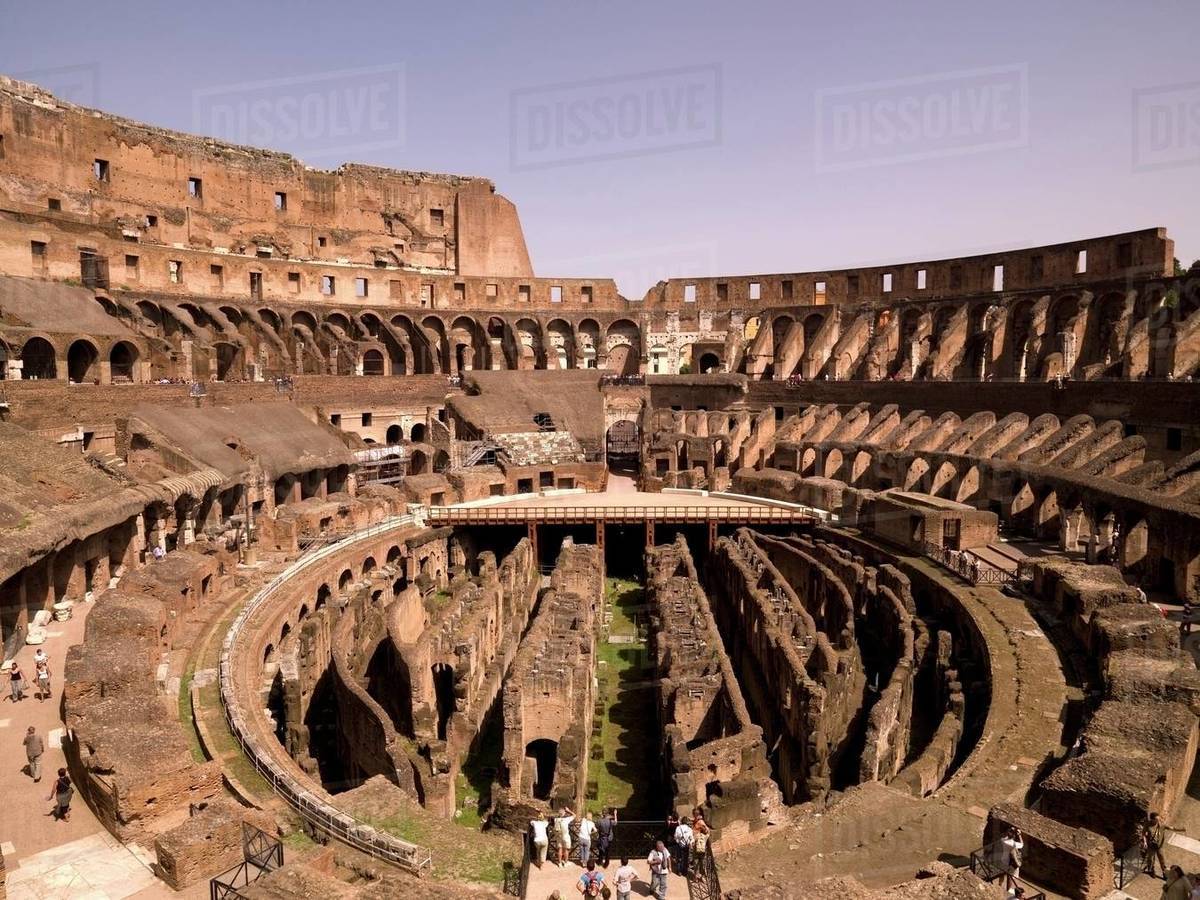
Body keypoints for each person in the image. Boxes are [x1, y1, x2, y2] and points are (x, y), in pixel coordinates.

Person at [1142, 812, 1183, 879]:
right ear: (1152, 819)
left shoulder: (1161, 824)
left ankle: (1164, 872)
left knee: (1162, 859)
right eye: (1156, 819)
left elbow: (1171, 828)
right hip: (1151, 845)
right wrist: (1145, 842)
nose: (1158, 820)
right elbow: (1143, 833)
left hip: (1159, 846)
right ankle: (1151, 871)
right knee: (1150, 859)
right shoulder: (1147, 825)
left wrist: (1181, 829)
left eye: (1158, 819)